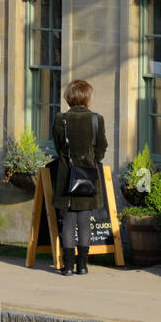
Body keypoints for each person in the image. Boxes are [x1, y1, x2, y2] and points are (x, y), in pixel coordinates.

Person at [51, 79, 107, 276]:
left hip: (67, 174)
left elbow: (58, 147)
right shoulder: (96, 119)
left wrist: (69, 161)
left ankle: (67, 267)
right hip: (88, 174)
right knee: (84, 220)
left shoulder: (61, 119)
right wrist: (92, 160)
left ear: (69, 97)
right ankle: (82, 266)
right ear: (87, 98)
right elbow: (101, 148)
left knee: (68, 221)